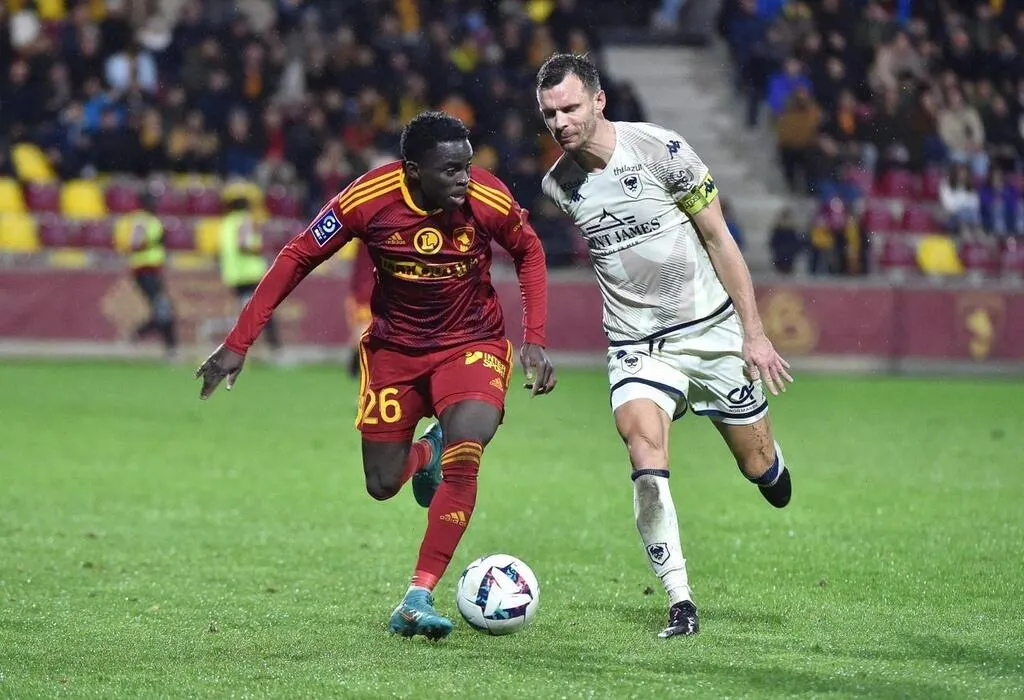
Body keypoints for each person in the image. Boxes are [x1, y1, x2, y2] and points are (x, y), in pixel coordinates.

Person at [194, 111, 557, 640]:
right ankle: (425, 454)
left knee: (468, 448)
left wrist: (536, 341)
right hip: (395, 352)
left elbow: (530, 251)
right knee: (383, 483)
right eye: (450, 169)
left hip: (471, 342)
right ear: (411, 169)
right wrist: (238, 342)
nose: (464, 178)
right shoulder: (369, 198)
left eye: (468, 166)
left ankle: (418, 595)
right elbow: (298, 255)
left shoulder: (489, 197)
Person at [536, 53, 793, 639]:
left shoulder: (663, 151)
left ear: (599, 101)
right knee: (644, 452)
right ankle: (680, 600)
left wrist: (753, 334)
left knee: (760, 470)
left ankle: (772, 464)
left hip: (710, 331)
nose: (561, 123)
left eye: (571, 108)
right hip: (635, 344)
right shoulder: (560, 185)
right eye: (550, 113)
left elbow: (719, 240)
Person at [219, 195, 283, 355]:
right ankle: (275, 350)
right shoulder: (244, 220)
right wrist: (260, 248)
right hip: (251, 273)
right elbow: (243, 244)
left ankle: (241, 348)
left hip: (235, 275)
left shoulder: (226, 223)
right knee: (263, 312)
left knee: (249, 311)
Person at [127, 192, 178, 358]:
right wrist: (154, 242)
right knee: (163, 309)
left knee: (162, 308)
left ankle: (165, 345)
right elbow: (135, 244)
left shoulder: (150, 220)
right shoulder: (142, 220)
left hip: (152, 270)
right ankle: (167, 346)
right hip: (144, 270)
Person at [346, 239, 375, 378]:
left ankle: (355, 367)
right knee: (363, 331)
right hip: (368, 292)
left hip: (363, 291)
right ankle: (357, 367)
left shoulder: (362, 241)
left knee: (361, 331)